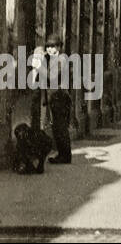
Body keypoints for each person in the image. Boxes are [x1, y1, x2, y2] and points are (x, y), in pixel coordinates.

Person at [41, 35, 73, 165]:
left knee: (60, 127)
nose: (49, 49)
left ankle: (65, 156)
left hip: (60, 96)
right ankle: (63, 154)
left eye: (53, 46)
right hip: (55, 96)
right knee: (58, 127)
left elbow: (52, 77)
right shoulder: (52, 59)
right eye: (48, 46)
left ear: (59, 47)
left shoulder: (61, 60)